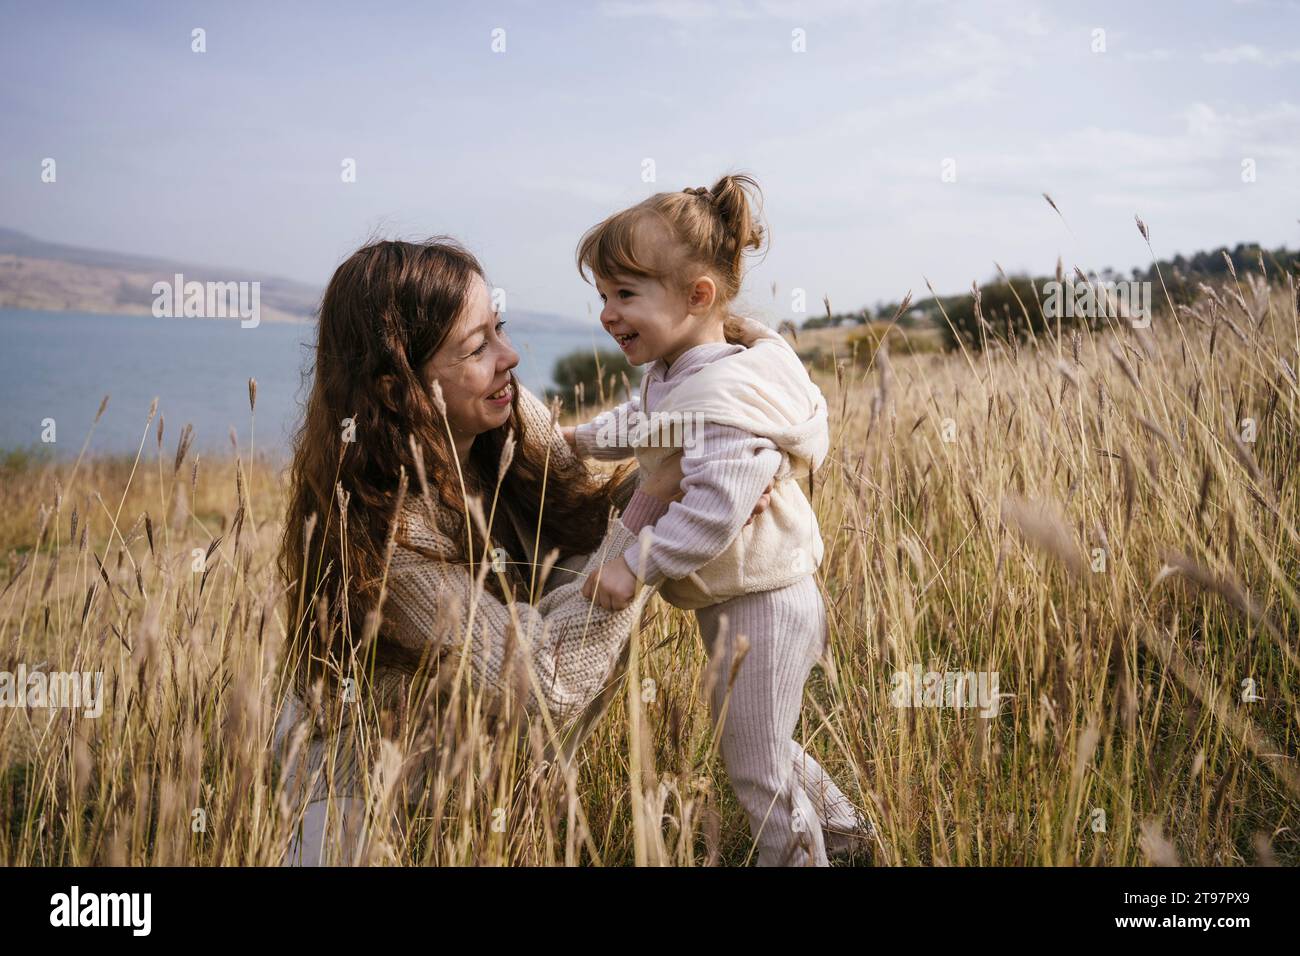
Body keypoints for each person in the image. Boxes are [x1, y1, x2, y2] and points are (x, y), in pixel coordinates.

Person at [275, 237, 772, 865]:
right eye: (477, 347)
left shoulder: (497, 415)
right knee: (590, 597)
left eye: (498, 328)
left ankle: (513, 803)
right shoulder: (387, 530)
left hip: (466, 750)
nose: (509, 356)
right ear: (398, 392)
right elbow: (547, 681)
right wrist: (658, 508)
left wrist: (718, 479)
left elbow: (594, 509)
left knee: (582, 564)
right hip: (363, 783)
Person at [563, 173, 866, 866]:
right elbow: (645, 424)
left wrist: (632, 565)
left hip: (765, 604)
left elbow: (713, 512)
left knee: (754, 767)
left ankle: (799, 857)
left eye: (625, 294)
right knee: (762, 740)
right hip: (740, 602)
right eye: (603, 296)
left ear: (698, 295)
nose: (608, 313)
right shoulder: (681, 370)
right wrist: (578, 439)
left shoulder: (724, 393)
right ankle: (846, 837)